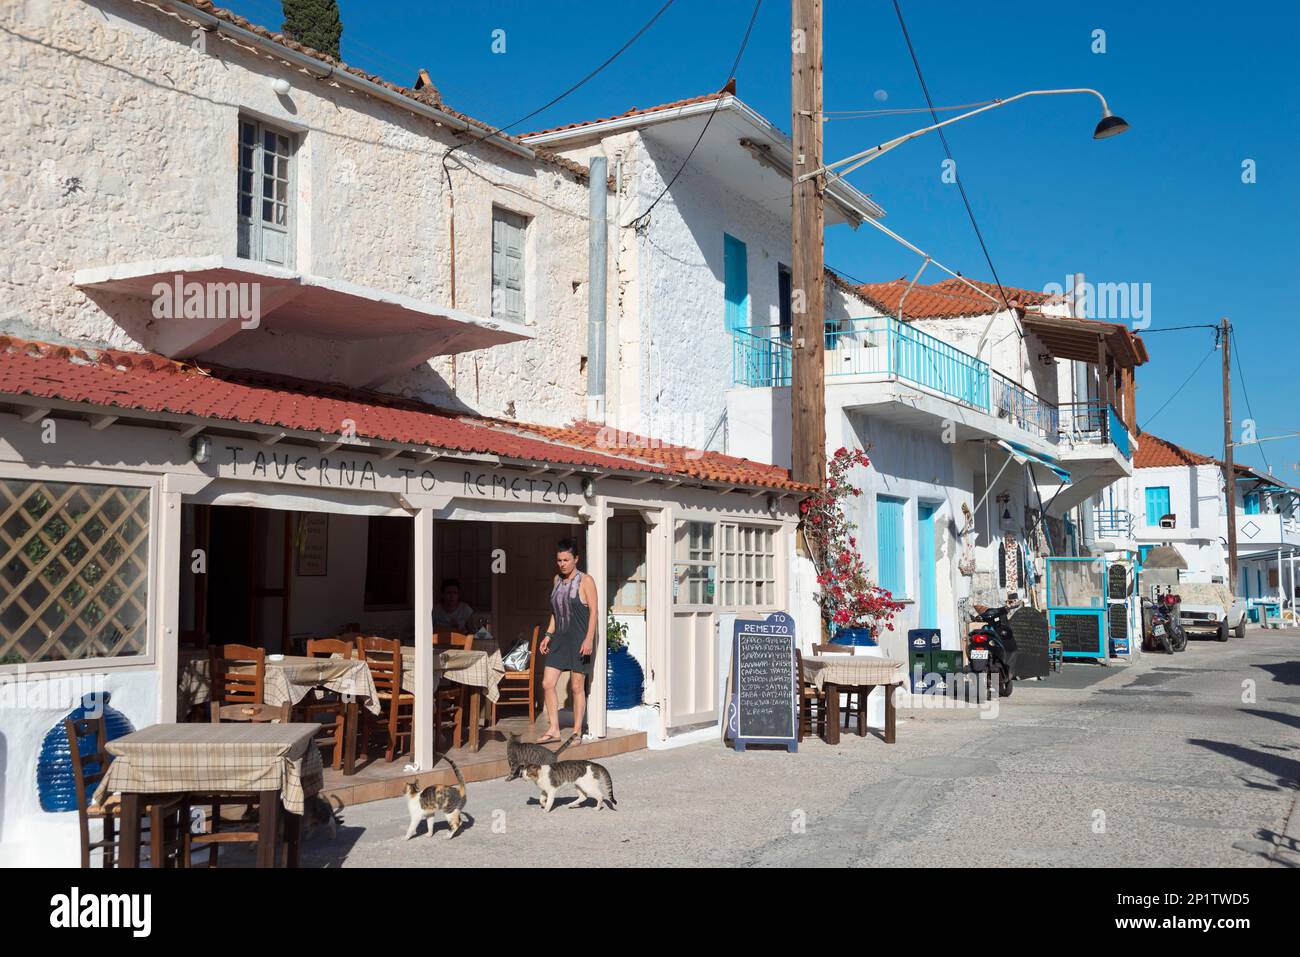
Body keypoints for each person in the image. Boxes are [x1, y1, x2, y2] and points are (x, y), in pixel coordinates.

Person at [538, 537, 598, 743]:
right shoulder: (557, 580)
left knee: (576, 687)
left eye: (566, 560)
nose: (562, 564)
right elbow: (556, 612)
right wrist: (548, 635)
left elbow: (594, 612)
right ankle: (554, 729)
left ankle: (576, 731)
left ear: (576, 559)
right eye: (559, 560)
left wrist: (589, 639)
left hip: (580, 640)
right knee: (547, 683)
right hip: (560, 640)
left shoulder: (586, 581)